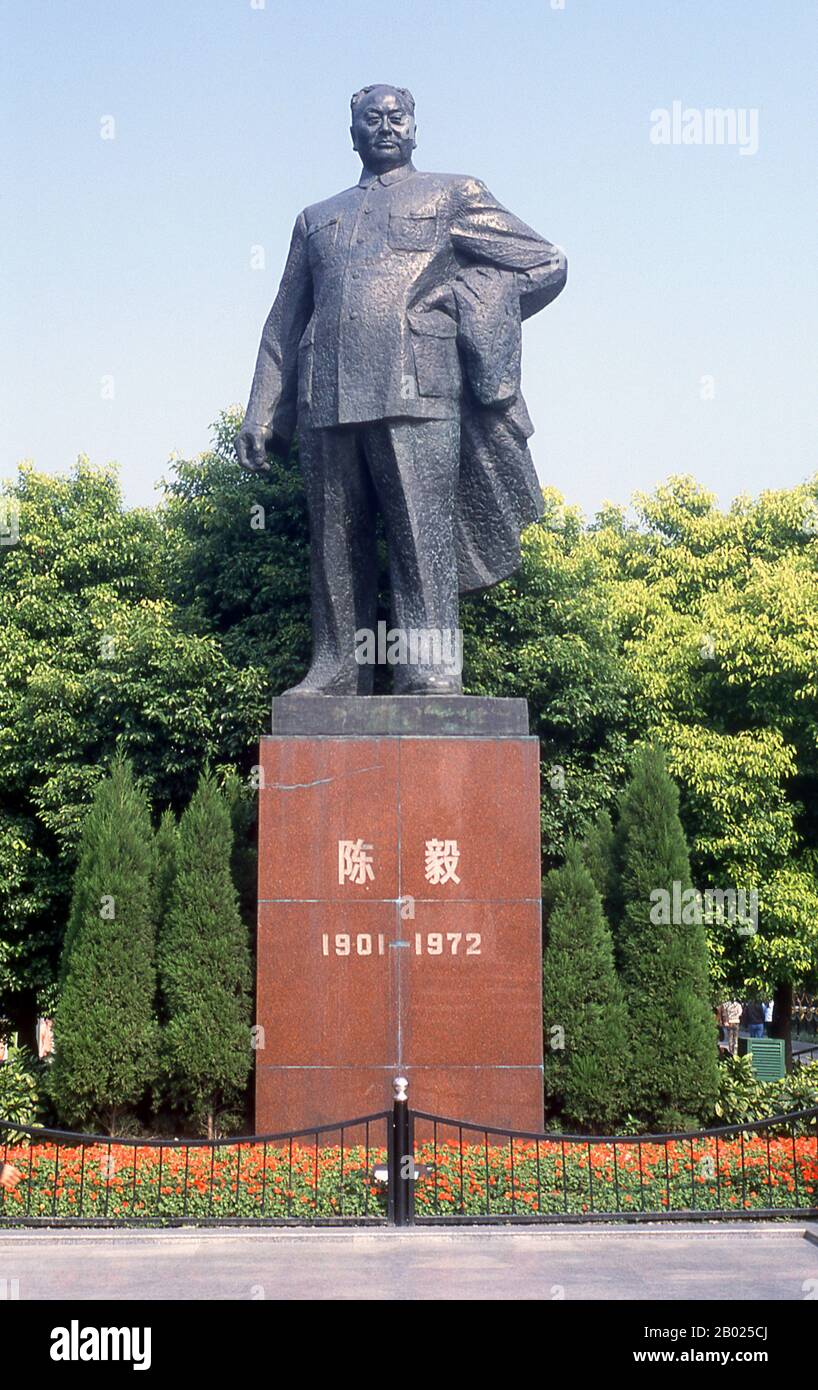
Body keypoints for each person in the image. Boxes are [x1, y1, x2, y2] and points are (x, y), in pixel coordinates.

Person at [236, 84, 567, 695]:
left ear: (414, 128)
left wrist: (465, 302)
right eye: (371, 118)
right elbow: (285, 318)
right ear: (353, 131)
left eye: (398, 117)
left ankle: (430, 668)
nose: (386, 127)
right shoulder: (317, 218)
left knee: (421, 532)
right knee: (334, 541)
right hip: (326, 395)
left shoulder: (453, 193)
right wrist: (261, 410)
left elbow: (543, 262)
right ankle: (336, 668)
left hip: (419, 388)